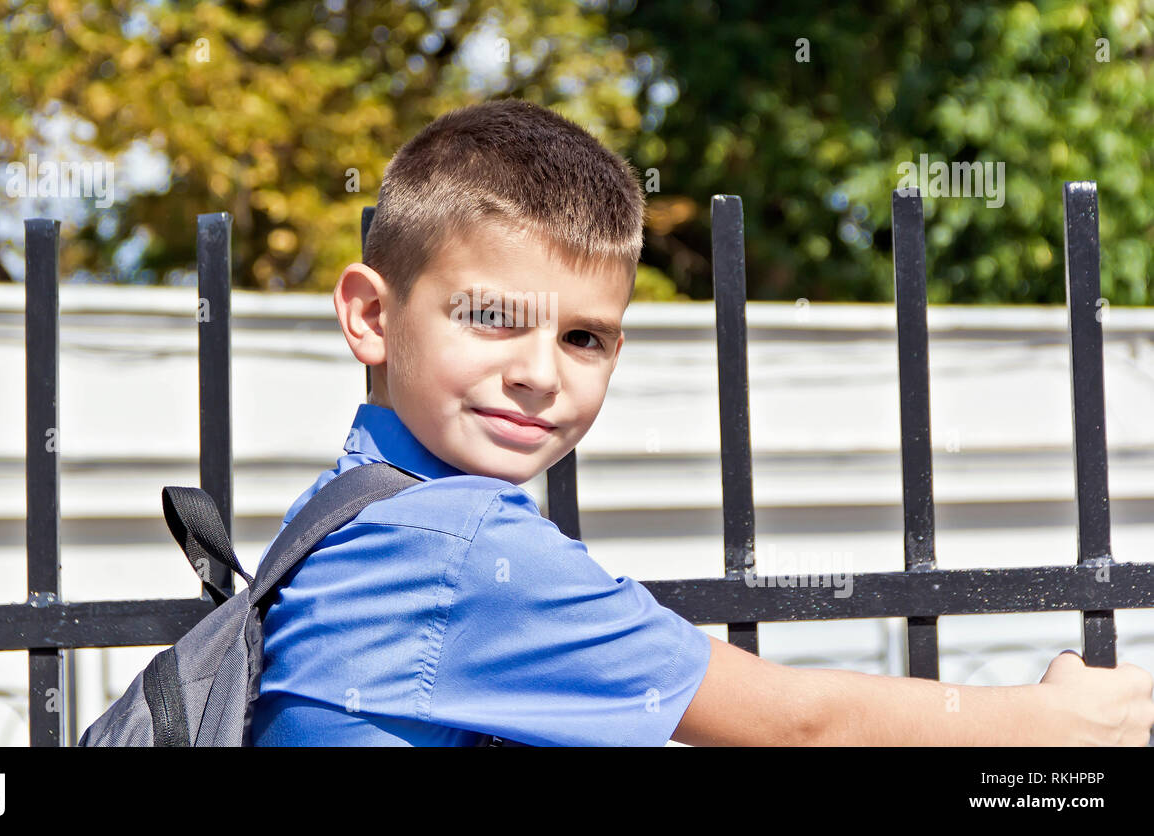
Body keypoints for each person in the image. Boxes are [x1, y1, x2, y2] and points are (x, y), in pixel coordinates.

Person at [250, 98, 1154, 746]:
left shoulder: (344, 512)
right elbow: (799, 726)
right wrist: (1053, 727)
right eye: (491, 316)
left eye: (584, 336)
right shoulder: (453, 543)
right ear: (370, 315)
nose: (538, 375)